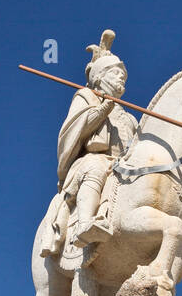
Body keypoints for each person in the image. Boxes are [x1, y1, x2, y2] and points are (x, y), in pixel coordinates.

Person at [56, 30, 135, 246]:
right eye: (115, 72)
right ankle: (84, 224)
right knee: (96, 166)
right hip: (94, 160)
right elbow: (74, 129)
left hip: (125, 165)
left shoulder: (128, 116)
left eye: (123, 74)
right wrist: (103, 109)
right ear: (99, 76)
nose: (121, 76)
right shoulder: (86, 97)